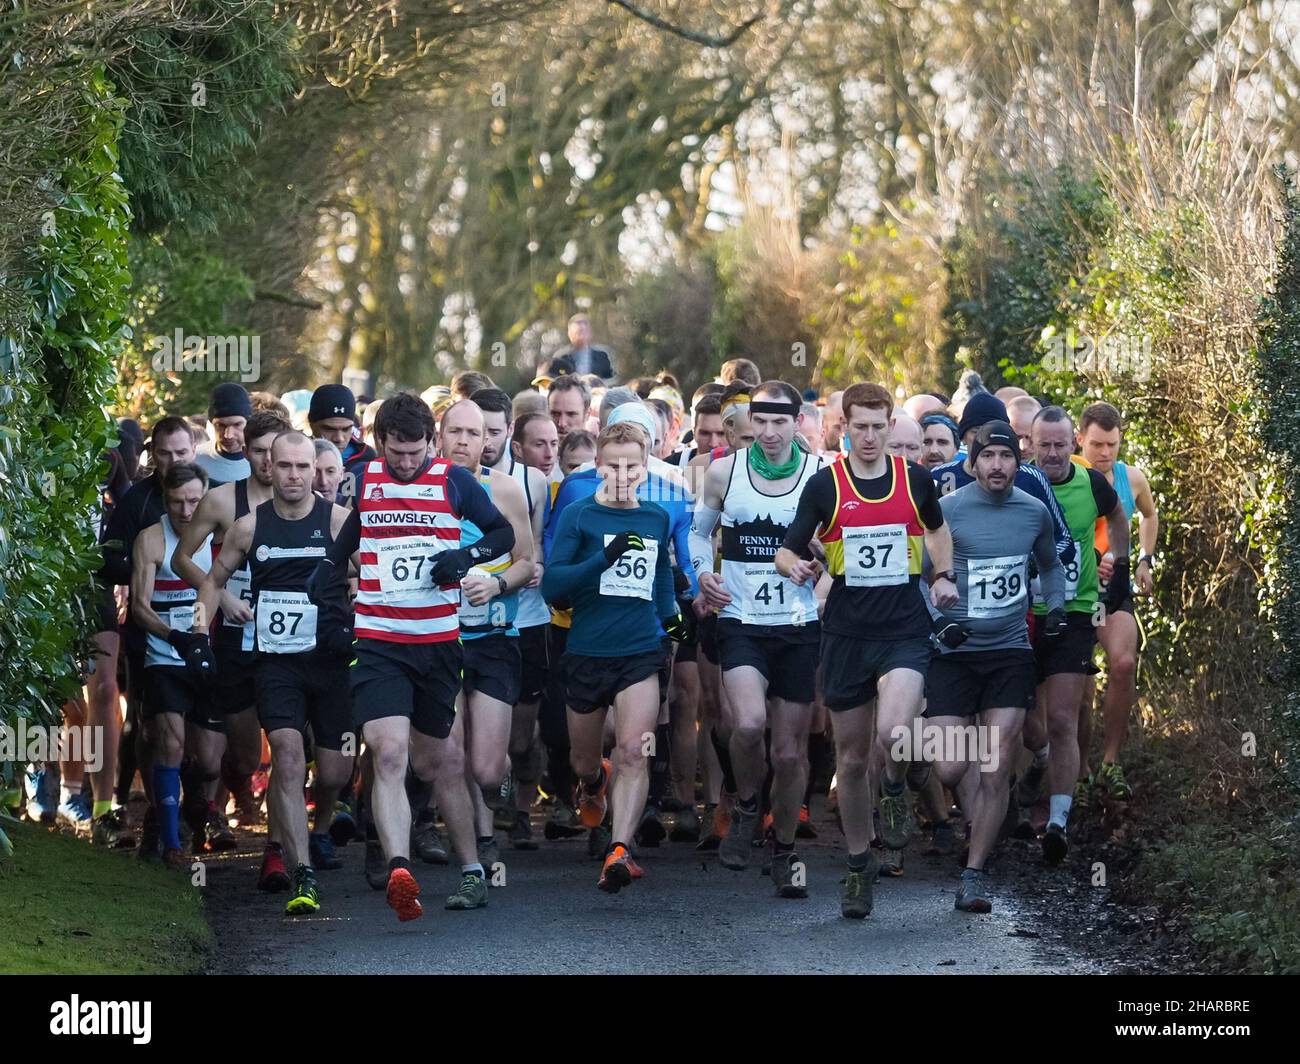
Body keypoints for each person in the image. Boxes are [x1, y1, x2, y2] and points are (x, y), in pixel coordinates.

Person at [307, 392, 516, 921]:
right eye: (397, 453)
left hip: (439, 644)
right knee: (388, 751)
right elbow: (358, 527)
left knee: (439, 760)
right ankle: (400, 868)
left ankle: (471, 869)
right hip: (378, 641)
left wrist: (463, 556)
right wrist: (329, 567)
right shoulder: (368, 478)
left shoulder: (454, 481)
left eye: (416, 452)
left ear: (432, 442)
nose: (406, 463)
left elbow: (504, 535)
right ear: (380, 443)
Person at [776, 382, 957, 918]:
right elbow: (787, 551)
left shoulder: (915, 479)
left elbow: (938, 530)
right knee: (852, 761)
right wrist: (800, 568)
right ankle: (860, 867)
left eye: (880, 426)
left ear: (891, 425)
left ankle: (898, 785)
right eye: (861, 427)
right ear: (843, 429)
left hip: (904, 626)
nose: (872, 436)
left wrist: (943, 574)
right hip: (847, 633)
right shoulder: (825, 486)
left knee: (894, 731)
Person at [187, 431, 356, 913]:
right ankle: (300, 870)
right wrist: (199, 634)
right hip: (276, 662)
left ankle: (318, 828)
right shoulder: (247, 526)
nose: (295, 476)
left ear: (316, 469)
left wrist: (358, 609)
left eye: (304, 467)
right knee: (284, 752)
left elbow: (369, 574)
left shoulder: (340, 521)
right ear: (269, 468)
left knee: (334, 771)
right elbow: (213, 583)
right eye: (285, 467)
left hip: (330, 663)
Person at [690, 380, 824, 898]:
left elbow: (839, 548)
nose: (768, 433)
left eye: (779, 423)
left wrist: (823, 569)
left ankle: (784, 847)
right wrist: (704, 574)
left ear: (797, 423)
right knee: (746, 723)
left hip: (796, 624)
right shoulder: (724, 472)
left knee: (790, 754)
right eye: (760, 423)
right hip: (740, 616)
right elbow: (700, 534)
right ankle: (748, 803)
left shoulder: (820, 477)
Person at [924, 422, 1066, 912]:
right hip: (954, 655)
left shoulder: (1033, 511)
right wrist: (938, 624)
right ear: (973, 460)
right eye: (989, 457)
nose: (999, 466)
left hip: (1009, 652)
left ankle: (974, 873)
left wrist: (1058, 606)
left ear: (1017, 460)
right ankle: (979, 820)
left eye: (1007, 456)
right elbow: (919, 578)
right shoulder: (947, 511)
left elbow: (1050, 564)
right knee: (949, 766)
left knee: (995, 764)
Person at [541, 422, 688, 891]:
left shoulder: (655, 518)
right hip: (586, 651)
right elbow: (553, 588)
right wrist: (602, 559)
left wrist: (673, 621)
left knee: (632, 751)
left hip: (641, 650)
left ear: (646, 468)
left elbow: (662, 579)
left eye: (632, 465)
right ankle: (591, 784)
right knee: (585, 760)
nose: (623, 473)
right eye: (613, 465)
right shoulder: (579, 516)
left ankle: (619, 850)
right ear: (598, 466)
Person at [173, 411, 288, 870]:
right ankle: (212, 794)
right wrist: (219, 596)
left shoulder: (305, 500)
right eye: (257, 451)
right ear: (247, 451)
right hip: (235, 638)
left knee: (286, 744)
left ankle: (279, 855)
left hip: (287, 643)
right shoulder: (223, 501)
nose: (265, 460)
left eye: (273, 452)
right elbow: (183, 558)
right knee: (243, 757)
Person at [1028, 406, 1130, 862]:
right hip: (1022, 617)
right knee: (1029, 728)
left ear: (1073, 445)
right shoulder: (1017, 482)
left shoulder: (1091, 484)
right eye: (1042, 444)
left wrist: (1122, 569)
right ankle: (1035, 765)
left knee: (1064, 719)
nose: (1051, 453)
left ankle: (1058, 820)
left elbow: (1122, 521)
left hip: (1074, 615)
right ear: (1030, 445)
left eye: (1058, 444)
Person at [100, 416, 197, 853]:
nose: (174, 461)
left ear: (193, 452)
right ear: (150, 456)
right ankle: (160, 814)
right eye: (165, 454)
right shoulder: (137, 501)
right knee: (150, 726)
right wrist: (146, 566)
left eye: (182, 453)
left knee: (196, 732)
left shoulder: (209, 498)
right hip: (148, 629)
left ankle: (198, 811)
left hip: (201, 629)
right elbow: (108, 560)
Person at [129, 462, 219, 869]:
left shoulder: (222, 536)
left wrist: (202, 635)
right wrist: (175, 637)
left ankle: (201, 813)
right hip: (164, 656)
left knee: (211, 759)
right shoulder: (150, 539)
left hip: (209, 656)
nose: (186, 511)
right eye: (177, 502)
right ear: (165, 500)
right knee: (170, 742)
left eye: (194, 501)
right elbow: (139, 607)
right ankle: (170, 842)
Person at [1076, 402, 1158, 800]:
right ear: (1080, 439)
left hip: (1115, 592)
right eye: (1096, 444)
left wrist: (1144, 559)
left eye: (1112, 444)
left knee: (1124, 663)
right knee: (1080, 685)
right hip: (1076, 592)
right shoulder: (1067, 476)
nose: (1105, 452)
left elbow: (1149, 515)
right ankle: (1077, 767)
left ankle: (1111, 761)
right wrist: (1091, 561)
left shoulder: (1132, 478)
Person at [309, 384, 376, 500]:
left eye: (346, 429)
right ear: (312, 425)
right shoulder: (295, 458)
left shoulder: (369, 460)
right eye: (329, 429)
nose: (339, 438)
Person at [194, 383, 253, 486]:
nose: (228, 435)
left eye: (237, 424)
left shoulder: (263, 461)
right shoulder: (194, 459)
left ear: (248, 422)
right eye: (220, 425)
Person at [560, 314, 614, 380]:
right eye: (578, 333)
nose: (582, 337)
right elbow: (554, 380)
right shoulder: (561, 357)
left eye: (585, 332)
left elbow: (612, 378)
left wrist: (600, 385)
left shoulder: (602, 355)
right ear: (570, 334)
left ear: (590, 333)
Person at [511, 411, 560, 481]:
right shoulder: (502, 488)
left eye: (553, 444)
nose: (549, 454)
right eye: (539, 445)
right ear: (517, 449)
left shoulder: (562, 484)